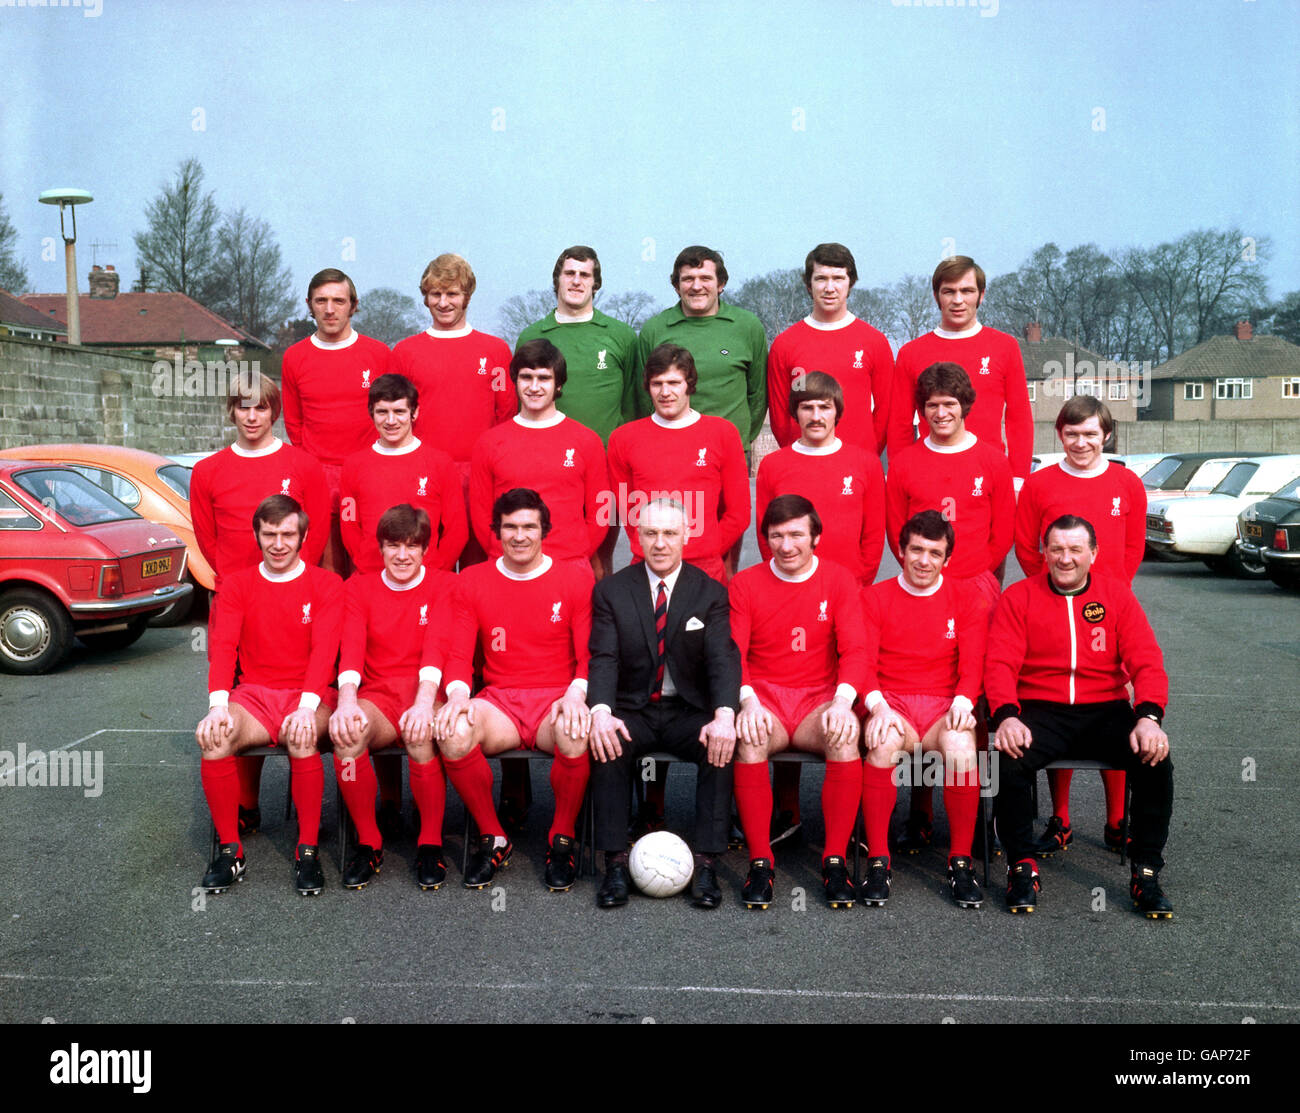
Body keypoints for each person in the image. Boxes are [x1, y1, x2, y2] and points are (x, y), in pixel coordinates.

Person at [987, 515, 1174, 918]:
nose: (1065, 558)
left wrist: (1149, 717)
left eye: (1075, 550)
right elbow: (999, 663)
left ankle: (1146, 872)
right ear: (1044, 552)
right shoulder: (1019, 596)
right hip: (1040, 709)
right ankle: (1022, 866)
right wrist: (1005, 715)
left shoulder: (1117, 596)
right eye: (1056, 549)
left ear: (1093, 553)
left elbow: (1147, 661)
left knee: (1155, 758)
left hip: (1104, 708)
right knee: (1007, 758)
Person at [190, 373, 332, 836]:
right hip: (238, 599)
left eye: (261, 408)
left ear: (275, 412)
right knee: (239, 699)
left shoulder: (304, 465)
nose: (252, 416)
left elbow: (316, 535)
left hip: (295, 599)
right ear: (231, 411)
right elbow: (208, 538)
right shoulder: (209, 470)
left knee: (298, 696)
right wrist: (237, 584)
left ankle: (305, 815)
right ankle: (246, 805)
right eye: (243, 407)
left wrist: (292, 585)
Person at [433, 489, 593, 892]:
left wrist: (575, 695)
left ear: (544, 531)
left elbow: (590, 653)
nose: (519, 536)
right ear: (496, 532)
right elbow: (457, 653)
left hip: (555, 698)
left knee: (575, 732)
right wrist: (456, 695)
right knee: (453, 733)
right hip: (501, 699)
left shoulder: (574, 577)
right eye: (510, 528)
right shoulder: (472, 580)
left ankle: (562, 838)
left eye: (528, 527)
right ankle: (494, 835)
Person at [587, 498, 741, 910]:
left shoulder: (709, 593)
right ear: (637, 537)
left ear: (686, 536)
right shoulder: (612, 591)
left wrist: (725, 715)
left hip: (687, 710)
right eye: (651, 533)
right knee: (607, 742)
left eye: (670, 533)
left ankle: (707, 862)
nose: (660, 543)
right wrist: (600, 711)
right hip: (633, 707)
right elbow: (604, 657)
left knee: (720, 745)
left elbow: (722, 658)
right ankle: (615, 862)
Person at [1014, 395, 1147, 856]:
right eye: (1072, 433)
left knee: (1109, 701)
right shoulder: (1040, 483)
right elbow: (1026, 546)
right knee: (1055, 702)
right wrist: (1052, 593)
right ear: (1060, 435)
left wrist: (1112, 597)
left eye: (1090, 433)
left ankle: (1117, 821)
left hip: (1109, 611)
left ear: (1106, 435)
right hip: (1055, 606)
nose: (1081, 442)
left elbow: (1132, 548)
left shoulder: (1127, 483)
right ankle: (1062, 817)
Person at [195, 494, 343, 896]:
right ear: (257, 536)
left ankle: (307, 850)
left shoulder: (327, 584)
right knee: (215, 738)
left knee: (302, 734)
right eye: (270, 534)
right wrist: (217, 706)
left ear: (304, 536)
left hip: (310, 694)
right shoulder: (239, 584)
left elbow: (325, 652)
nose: (279, 544)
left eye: (288, 535)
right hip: (256, 696)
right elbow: (224, 647)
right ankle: (231, 851)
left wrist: (307, 707)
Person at [730, 495, 867, 909]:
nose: (786, 545)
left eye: (795, 535)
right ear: (765, 538)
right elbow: (733, 652)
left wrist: (843, 703)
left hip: (818, 700)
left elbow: (857, 650)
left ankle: (835, 859)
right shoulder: (746, 583)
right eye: (776, 536)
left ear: (816, 537)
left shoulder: (840, 580)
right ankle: (760, 861)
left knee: (845, 737)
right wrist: (748, 702)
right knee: (748, 739)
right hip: (766, 699)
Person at [858, 511, 988, 909]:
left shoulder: (967, 597)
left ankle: (960, 861)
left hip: (942, 704)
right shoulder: (874, 598)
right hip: (892, 702)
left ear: (947, 558)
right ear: (900, 551)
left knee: (963, 749)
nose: (924, 560)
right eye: (916, 549)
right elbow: (861, 662)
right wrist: (877, 707)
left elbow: (974, 664)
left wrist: (965, 702)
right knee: (881, 746)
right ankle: (878, 859)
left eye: (935, 552)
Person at [329, 505, 458, 891]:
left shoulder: (444, 586)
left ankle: (430, 842)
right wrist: (347, 700)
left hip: (427, 691)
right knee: (347, 736)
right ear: (380, 549)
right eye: (393, 546)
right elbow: (351, 648)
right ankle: (369, 842)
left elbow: (437, 649)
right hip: (380, 694)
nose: (402, 555)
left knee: (420, 735)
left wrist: (424, 703)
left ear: (425, 550)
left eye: (412, 546)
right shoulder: (359, 587)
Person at [518, 246, 640, 576]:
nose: (576, 281)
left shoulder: (622, 336)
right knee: (544, 557)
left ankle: (600, 628)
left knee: (598, 563)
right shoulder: (532, 336)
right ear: (556, 280)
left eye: (584, 275)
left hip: (603, 469)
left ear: (596, 283)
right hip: (547, 469)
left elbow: (633, 406)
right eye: (569, 273)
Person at [391, 253, 516, 563]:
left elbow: (507, 415)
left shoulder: (495, 351)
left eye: (452, 294)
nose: (443, 302)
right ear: (425, 298)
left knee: (479, 564)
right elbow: (394, 417)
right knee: (430, 565)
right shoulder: (406, 352)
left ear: (467, 297)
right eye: (436, 294)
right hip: (425, 474)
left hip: (480, 476)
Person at [886, 256, 1033, 492]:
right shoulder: (911, 353)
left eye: (966, 291)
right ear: (937, 296)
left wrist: (1017, 479)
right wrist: (900, 475)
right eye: (949, 291)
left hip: (989, 478)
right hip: (929, 476)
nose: (958, 300)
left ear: (981, 295)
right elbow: (899, 424)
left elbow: (1020, 418)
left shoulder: (1004, 347)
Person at [607, 343, 750, 584]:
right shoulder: (623, 438)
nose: (665, 392)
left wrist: (707, 547)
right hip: (647, 566)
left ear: (689, 384)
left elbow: (739, 512)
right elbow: (626, 510)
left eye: (674, 383)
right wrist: (653, 546)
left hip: (705, 567)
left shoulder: (722, 433)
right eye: (657, 383)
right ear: (648, 387)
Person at [281, 268, 393, 574]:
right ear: (309, 304)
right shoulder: (294, 357)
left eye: (338, 301)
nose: (330, 310)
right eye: (321, 301)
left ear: (354, 305)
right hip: (319, 475)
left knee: (369, 566)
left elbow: (393, 415)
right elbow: (294, 421)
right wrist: (313, 467)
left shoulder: (379, 355)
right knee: (327, 569)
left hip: (368, 473)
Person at [469, 338, 607, 577]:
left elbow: (600, 511)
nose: (534, 387)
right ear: (515, 381)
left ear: (559, 385)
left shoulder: (586, 440)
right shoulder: (489, 442)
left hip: (569, 564)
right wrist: (506, 554)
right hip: (509, 565)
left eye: (543, 378)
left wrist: (579, 552)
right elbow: (481, 513)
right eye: (526, 377)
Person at [755, 371, 885, 590]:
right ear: (795, 412)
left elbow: (873, 536)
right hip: (790, 585)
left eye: (824, 407)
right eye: (807, 407)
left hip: (849, 588)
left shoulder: (866, 464)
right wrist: (782, 577)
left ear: (837, 412)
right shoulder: (772, 465)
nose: (816, 417)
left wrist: (858, 582)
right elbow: (765, 534)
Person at [635, 246, 768, 457]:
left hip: (730, 451)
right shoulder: (655, 330)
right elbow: (643, 397)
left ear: (721, 284)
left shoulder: (747, 326)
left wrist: (739, 438)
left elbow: (758, 393)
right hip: (669, 449)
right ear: (677, 286)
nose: (697, 286)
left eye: (705, 278)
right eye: (688, 279)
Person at [766, 242, 894, 456]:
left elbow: (886, 412)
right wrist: (796, 453)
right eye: (821, 279)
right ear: (809, 285)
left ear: (850, 283)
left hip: (858, 463)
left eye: (838, 278)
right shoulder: (785, 344)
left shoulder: (874, 341)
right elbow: (779, 418)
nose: (829, 287)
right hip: (802, 463)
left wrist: (867, 456)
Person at [339, 373, 467, 575]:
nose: (391, 421)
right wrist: (366, 565)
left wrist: (436, 572)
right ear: (371, 412)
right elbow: (349, 526)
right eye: (382, 412)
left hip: (427, 577)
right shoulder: (353, 465)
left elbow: (457, 530)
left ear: (414, 412)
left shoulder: (440, 463)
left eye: (399, 411)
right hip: (372, 577)